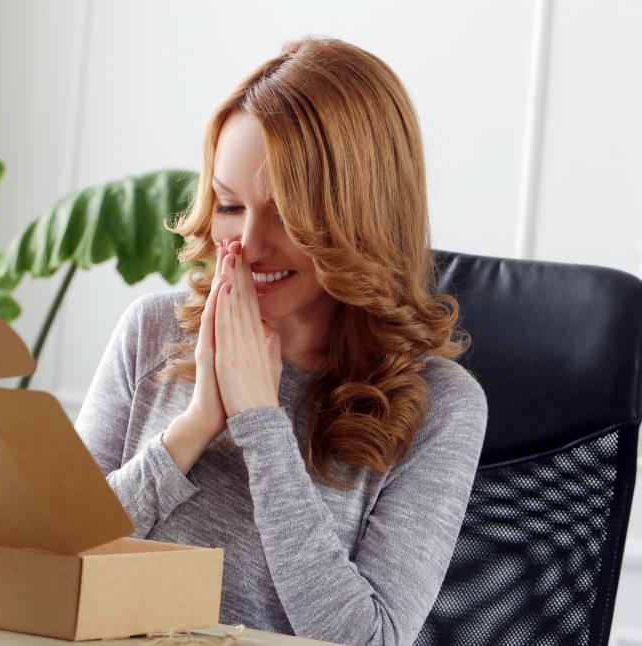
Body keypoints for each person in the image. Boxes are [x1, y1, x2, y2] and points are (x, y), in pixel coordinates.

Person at [75, 35, 488, 645]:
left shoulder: (442, 406)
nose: (251, 243)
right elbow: (56, 553)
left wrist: (261, 425)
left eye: (290, 215)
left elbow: (369, 638)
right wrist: (193, 428)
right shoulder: (150, 331)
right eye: (228, 204)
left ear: (362, 216)